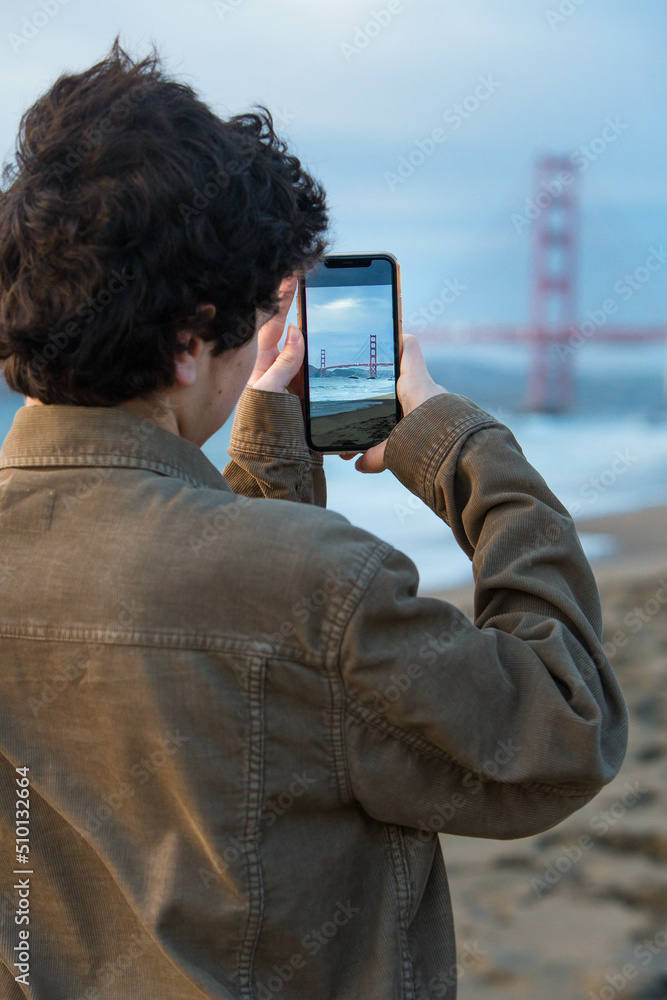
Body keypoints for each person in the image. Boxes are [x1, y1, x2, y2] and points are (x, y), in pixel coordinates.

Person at [0, 39, 628, 1000]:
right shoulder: (318, 591)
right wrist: (456, 442)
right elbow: (559, 724)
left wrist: (266, 454)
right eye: (248, 316)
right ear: (184, 343)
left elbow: (229, 691)